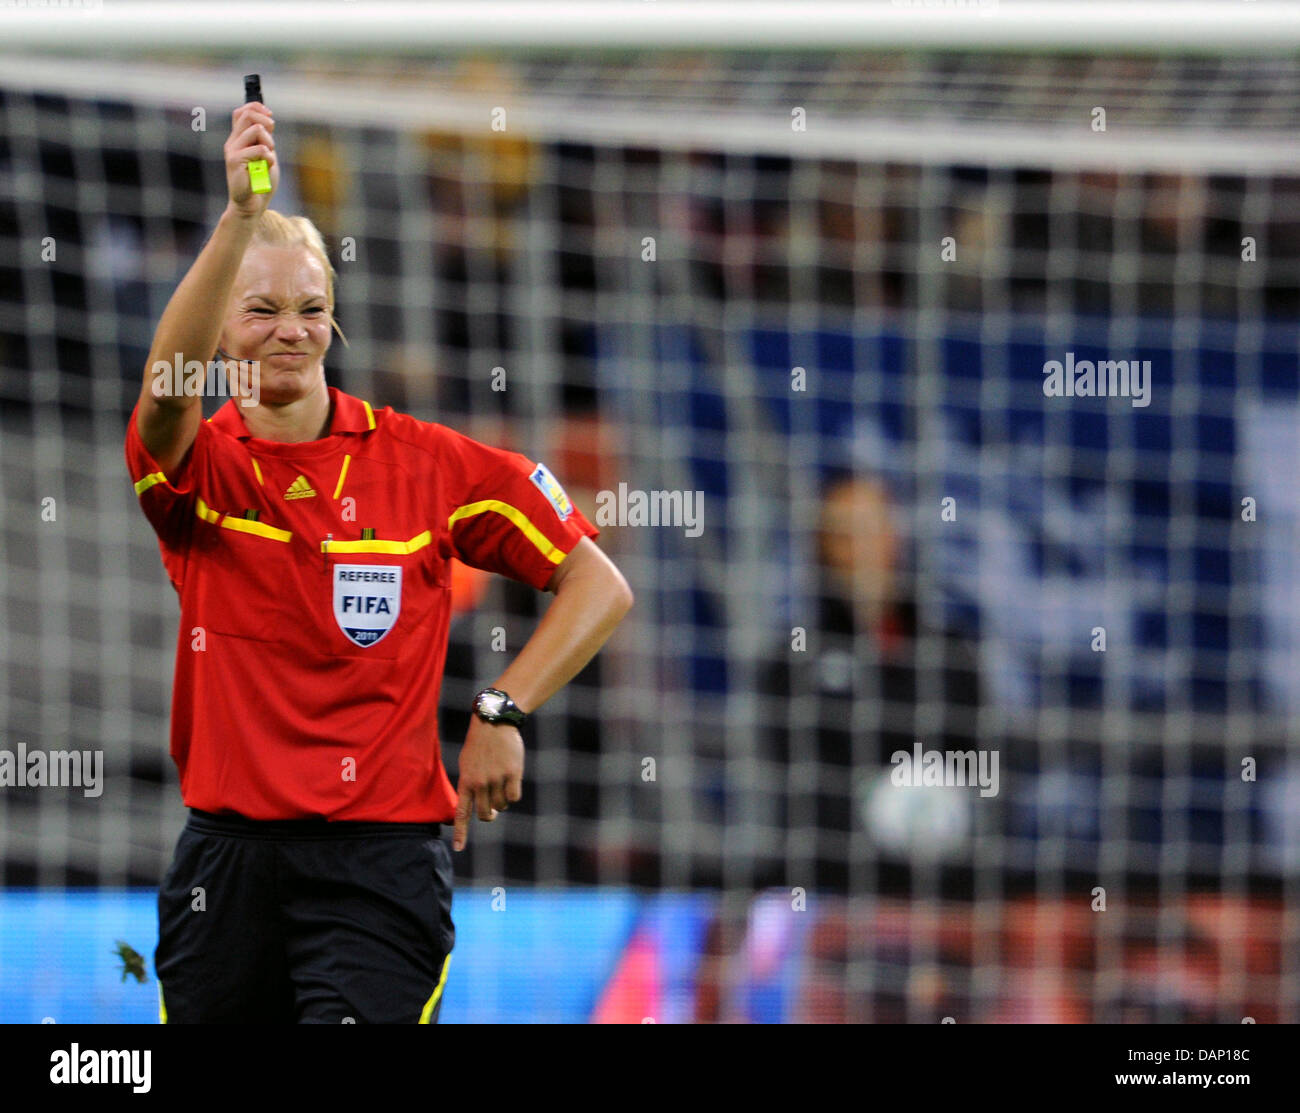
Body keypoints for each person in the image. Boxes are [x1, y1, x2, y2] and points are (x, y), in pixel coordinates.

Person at [125, 97, 633, 1023]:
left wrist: (502, 705)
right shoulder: (201, 469)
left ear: (337, 319)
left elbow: (599, 582)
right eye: (262, 307)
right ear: (218, 324)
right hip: (223, 864)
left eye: (312, 307)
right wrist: (238, 216)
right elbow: (164, 391)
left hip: (380, 861)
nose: (291, 328)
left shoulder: (429, 464)